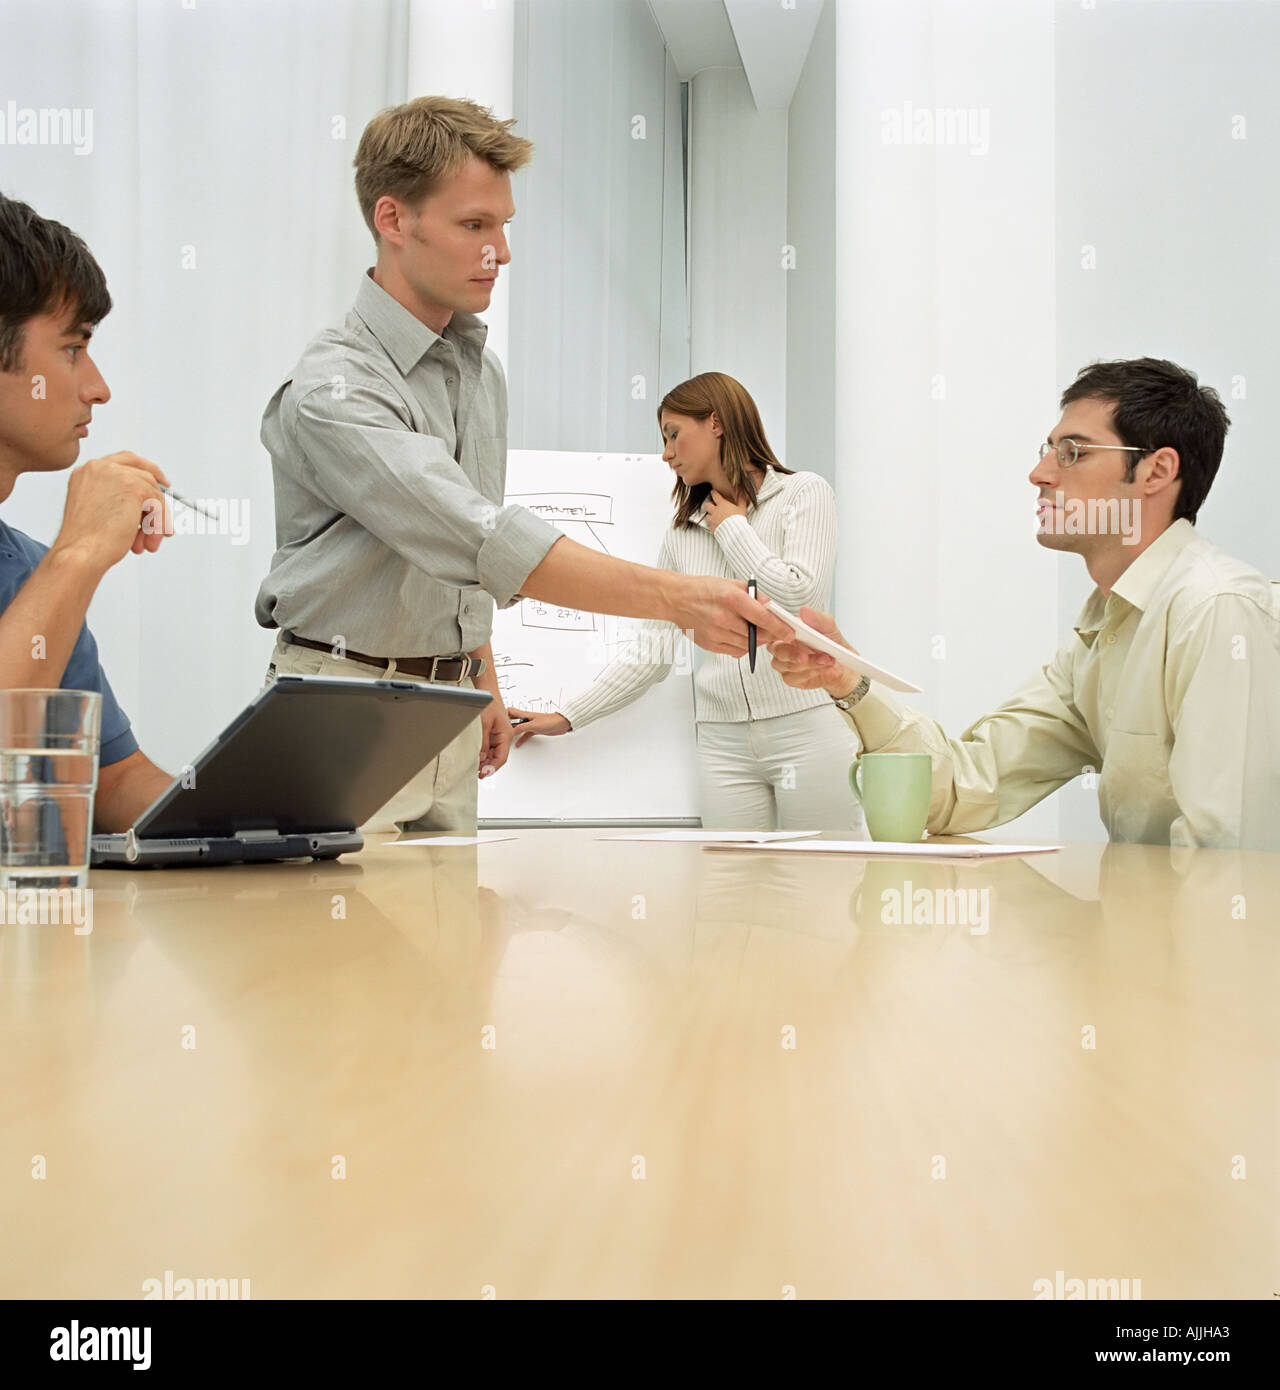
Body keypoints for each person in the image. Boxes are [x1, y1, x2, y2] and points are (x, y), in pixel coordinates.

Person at [256, 96, 783, 835]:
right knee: (336, 945)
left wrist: (481, 675)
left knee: (450, 945)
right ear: (393, 220)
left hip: (449, 707)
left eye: (503, 225)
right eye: (475, 225)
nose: (501, 251)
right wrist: (678, 598)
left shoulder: (481, 374)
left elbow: (456, 563)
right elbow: (480, 536)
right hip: (339, 710)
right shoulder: (333, 390)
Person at [765, 358, 1280, 851]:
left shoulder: (1216, 609)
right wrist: (849, 681)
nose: (1040, 474)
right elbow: (965, 786)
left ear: (1156, 471)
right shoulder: (1103, 630)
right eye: (1048, 449)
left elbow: (1227, 860)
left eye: (1073, 452)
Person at [508, 372, 865, 833]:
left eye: (674, 434)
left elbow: (800, 600)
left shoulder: (803, 493)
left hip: (807, 727)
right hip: (723, 744)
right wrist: (567, 717)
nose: (666, 453)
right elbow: (652, 655)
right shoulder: (682, 533)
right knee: (728, 892)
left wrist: (732, 528)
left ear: (715, 423)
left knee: (822, 884)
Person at [0, 193, 173, 830]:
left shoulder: (30, 571)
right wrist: (78, 556)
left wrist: (260, 814)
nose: (98, 387)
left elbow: (114, 780)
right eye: (72, 348)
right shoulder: (57, 573)